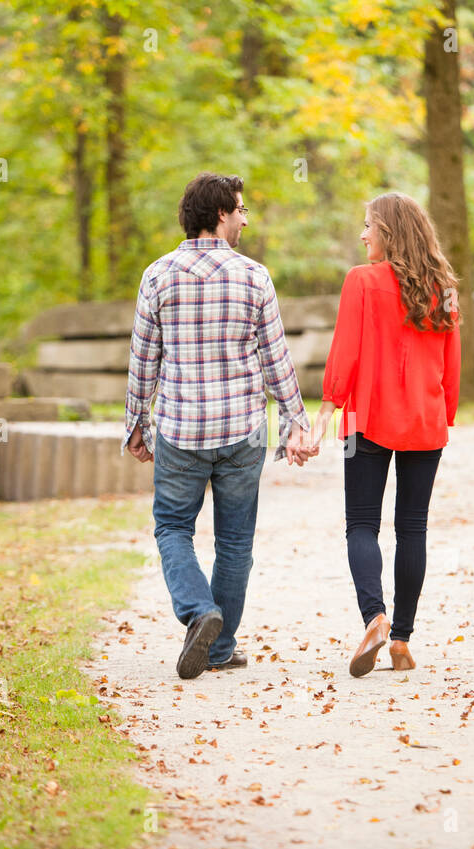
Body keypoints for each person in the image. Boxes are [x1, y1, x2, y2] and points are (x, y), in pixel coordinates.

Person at [124, 172, 313, 680]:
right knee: (235, 543)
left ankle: (198, 611)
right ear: (219, 215)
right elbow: (276, 360)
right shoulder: (255, 276)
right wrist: (297, 420)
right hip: (242, 431)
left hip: (181, 429)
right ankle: (221, 643)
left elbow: (144, 361)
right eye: (241, 210)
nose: (246, 219)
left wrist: (136, 424)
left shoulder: (157, 275)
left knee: (172, 527)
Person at [306, 192, 461, 677]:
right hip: (425, 420)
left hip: (363, 420)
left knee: (361, 524)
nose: (362, 234)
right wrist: (444, 412)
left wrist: (326, 411)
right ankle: (401, 642)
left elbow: (345, 351)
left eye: (368, 225)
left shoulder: (361, 281)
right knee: (413, 527)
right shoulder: (446, 288)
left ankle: (374, 617)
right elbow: (451, 367)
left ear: (389, 231)